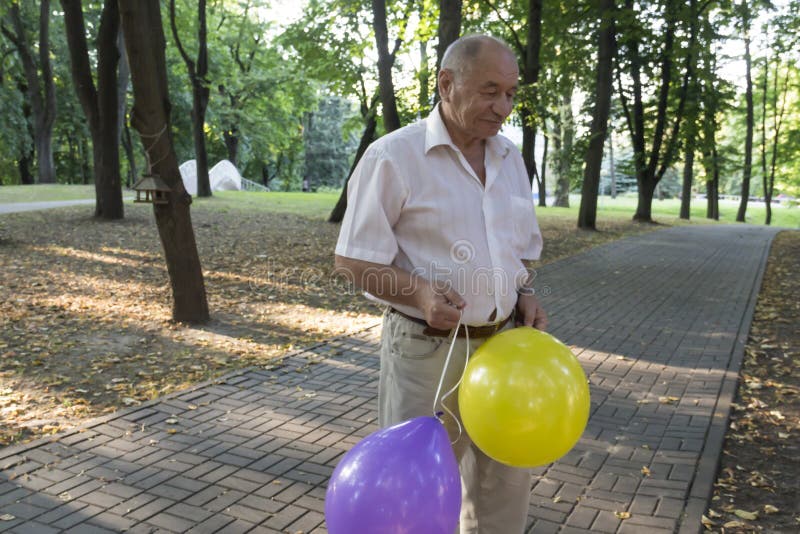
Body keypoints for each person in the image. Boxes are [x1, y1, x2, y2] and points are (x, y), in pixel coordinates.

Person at [334, 34, 547, 534]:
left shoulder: (510, 158)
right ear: (446, 84)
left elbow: (518, 248)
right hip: (427, 353)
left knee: (505, 487)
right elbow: (352, 260)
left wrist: (526, 291)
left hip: (504, 349)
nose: (503, 107)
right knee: (417, 497)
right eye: (490, 90)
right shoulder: (393, 156)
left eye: (512, 93)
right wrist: (421, 293)